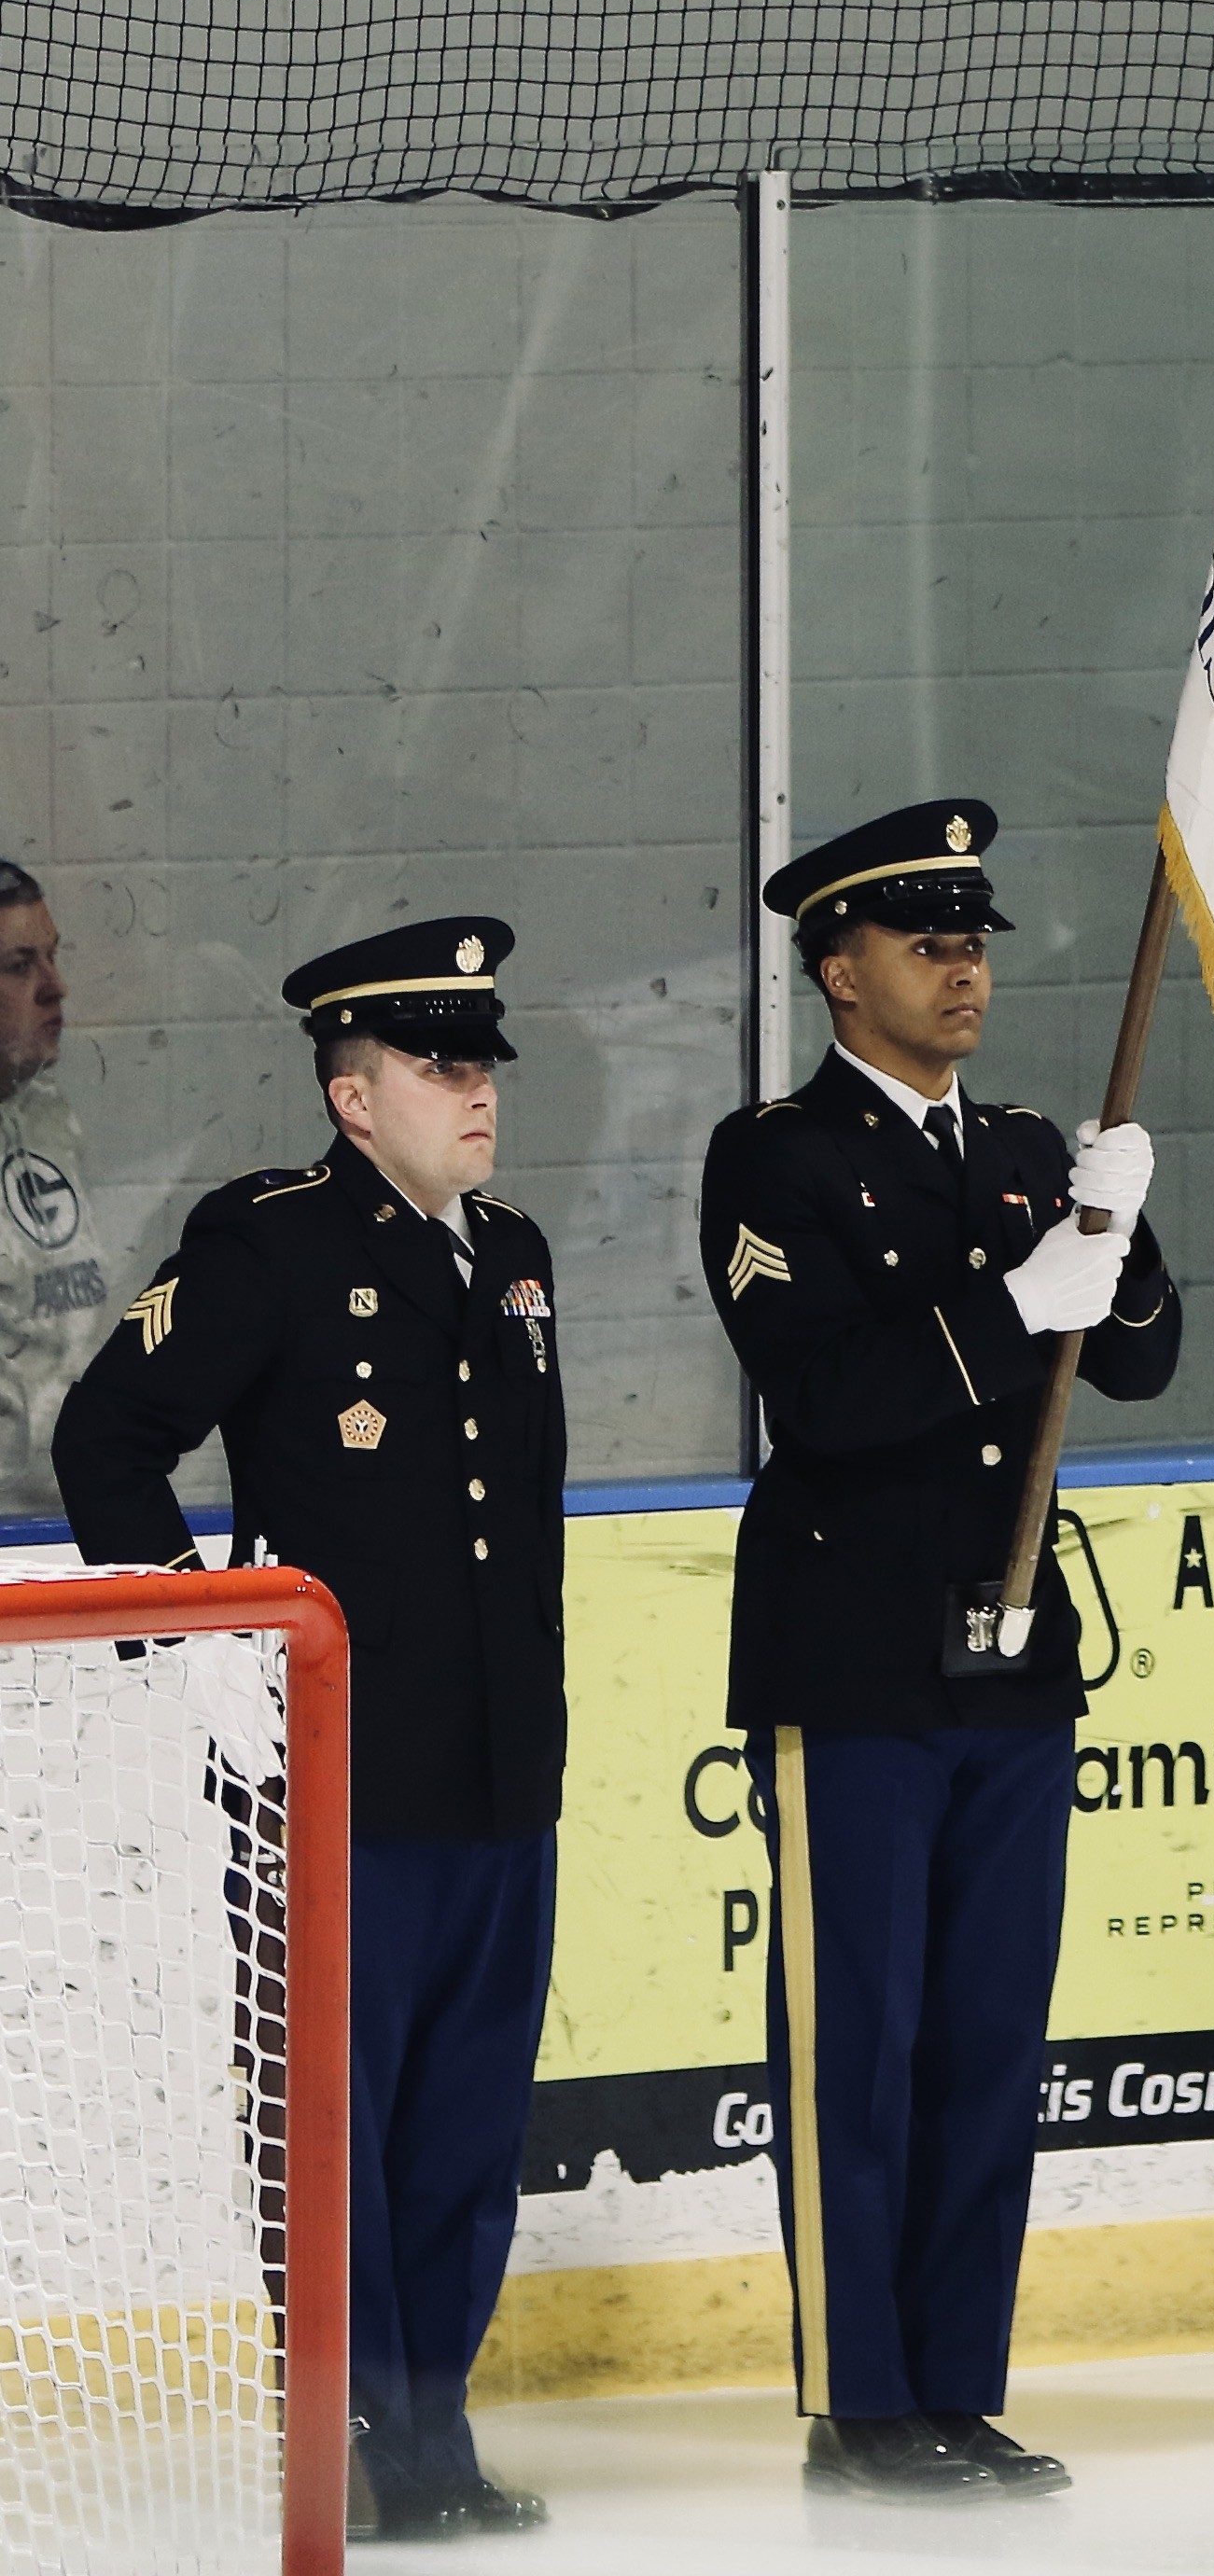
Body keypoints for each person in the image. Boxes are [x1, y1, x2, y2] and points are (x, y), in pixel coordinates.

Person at [52, 919, 560, 2541]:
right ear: (354, 1096)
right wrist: (201, 1635)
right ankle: (356, 2442)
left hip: (498, 1770)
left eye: (484, 1062)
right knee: (336, 2132)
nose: (478, 1090)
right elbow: (105, 1436)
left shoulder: (517, 1251)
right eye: (440, 1064)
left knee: (466, 2130)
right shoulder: (267, 1241)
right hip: (332, 1776)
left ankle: (434, 2440)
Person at [700, 801, 1180, 2506]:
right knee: (862, 2038)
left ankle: (959, 2385)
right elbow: (825, 1395)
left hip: (1013, 1656)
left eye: (973, 939)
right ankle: (862, 2399)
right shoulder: (773, 1158)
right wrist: (1014, 1301)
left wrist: (1117, 1236)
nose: (963, 967)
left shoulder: (1032, 1146)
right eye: (925, 941)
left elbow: (1143, 1359)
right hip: (855, 1657)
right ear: (841, 972)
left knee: (988, 2036)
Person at [0, 861, 112, 1517]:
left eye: (52, 956)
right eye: (19, 966)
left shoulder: (49, 1115)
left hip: (75, 1503)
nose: (56, 987)